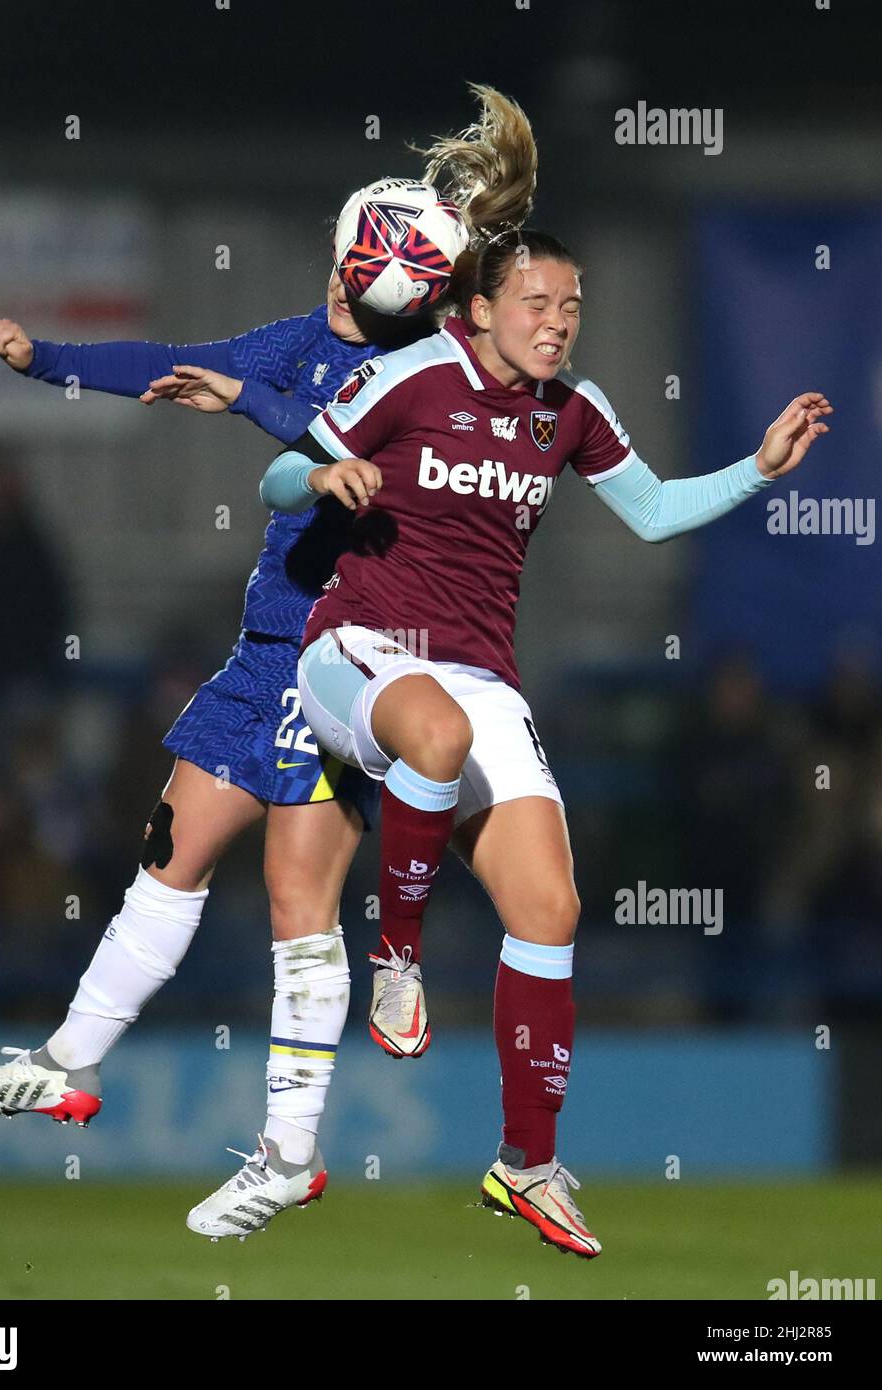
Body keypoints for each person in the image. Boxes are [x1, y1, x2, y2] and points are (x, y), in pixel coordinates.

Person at [0, 85, 540, 1239]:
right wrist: (42, 357)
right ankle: (69, 1058)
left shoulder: (425, 376)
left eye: (350, 264)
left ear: (392, 280)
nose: (332, 279)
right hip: (263, 648)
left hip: (346, 658)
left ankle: (290, 1148)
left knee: (295, 897)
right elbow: (172, 363)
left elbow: (319, 433)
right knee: (169, 848)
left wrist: (266, 413)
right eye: (334, 259)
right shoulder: (297, 345)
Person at [260, 227, 833, 1256]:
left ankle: (524, 1163)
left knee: (550, 906)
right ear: (477, 307)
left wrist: (756, 466)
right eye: (536, 301)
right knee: (430, 730)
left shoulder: (572, 409)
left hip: (475, 676)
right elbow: (278, 476)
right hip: (354, 647)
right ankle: (397, 954)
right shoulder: (407, 377)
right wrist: (316, 484)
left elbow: (652, 513)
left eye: (570, 305)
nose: (558, 321)